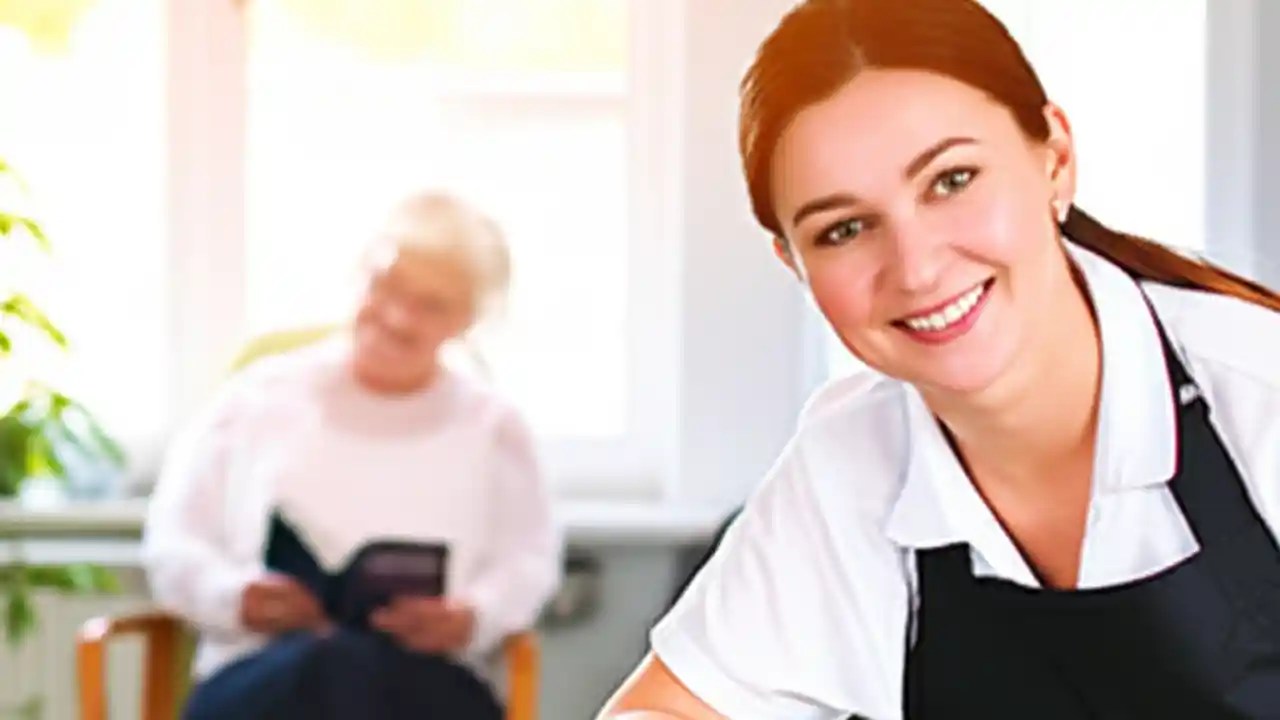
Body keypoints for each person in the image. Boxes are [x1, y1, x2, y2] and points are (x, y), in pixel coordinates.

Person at [599, 0, 1280, 717]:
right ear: (793, 264)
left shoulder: (1258, 393)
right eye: (845, 229)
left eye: (951, 181)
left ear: (1054, 159)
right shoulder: (855, 456)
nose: (917, 268)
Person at [144, 192, 562, 719]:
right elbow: (173, 543)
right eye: (387, 286)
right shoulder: (254, 400)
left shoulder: (494, 427)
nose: (397, 317)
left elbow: (528, 561)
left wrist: (470, 617)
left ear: (468, 320)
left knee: (355, 673)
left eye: (432, 305)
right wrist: (238, 597)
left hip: (423, 681)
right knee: (326, 670)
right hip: (263, 674)